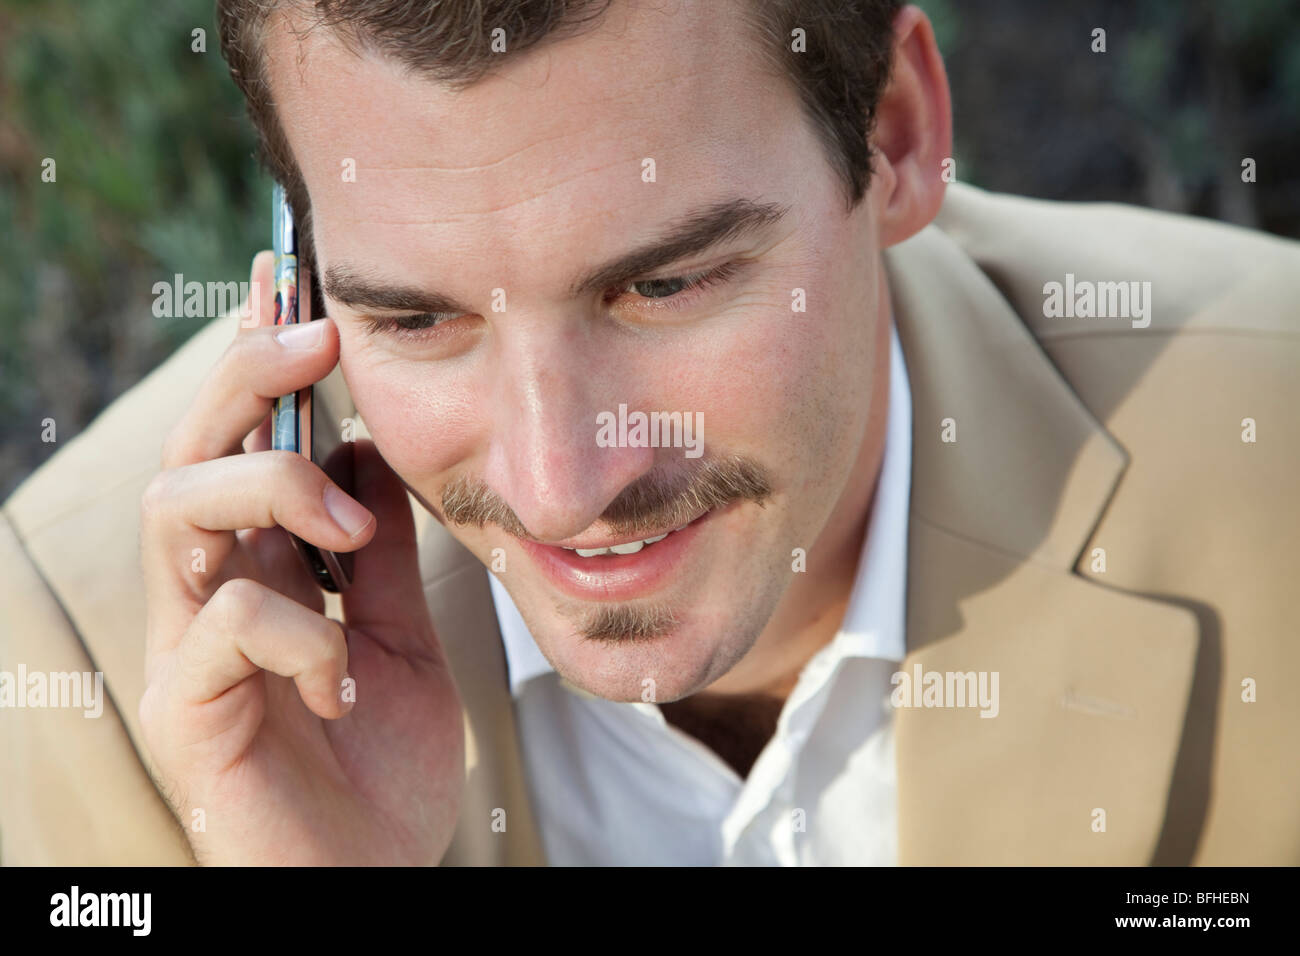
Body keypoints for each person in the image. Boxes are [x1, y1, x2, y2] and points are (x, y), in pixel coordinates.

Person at [2, 0, 1297, 866]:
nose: (563, 485)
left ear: (895, 137)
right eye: (416, 320)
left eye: (663, 287)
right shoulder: (77, 665)